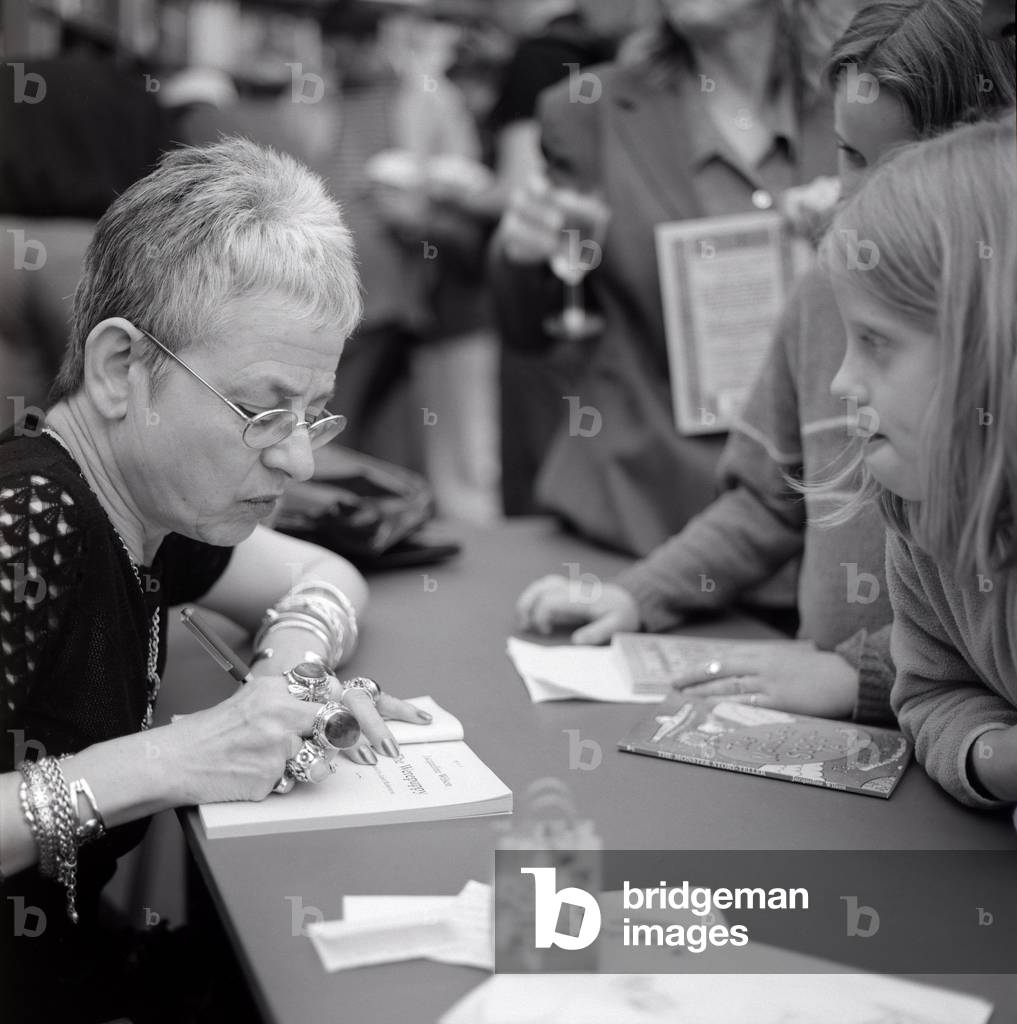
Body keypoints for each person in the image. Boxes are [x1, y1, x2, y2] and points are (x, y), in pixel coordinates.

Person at [0, 137, 432, 1021]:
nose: (300, 459)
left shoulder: (153, 507)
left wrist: (288, 677)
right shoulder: (28, 520)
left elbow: (322, 571)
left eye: (314, 414)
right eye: (262, 410)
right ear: (121, 369)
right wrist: (178, 756)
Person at [516, 0, 1016, 723]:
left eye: (897, 163)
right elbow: (763, 497)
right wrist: (639, 593)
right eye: (848, 155)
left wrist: (857, 674)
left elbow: (963, 626)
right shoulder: (820, 291)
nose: (858, 193)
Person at [492, 0, 850, 553]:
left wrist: (857, 228)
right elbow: (531, 329)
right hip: (644, 522)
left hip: (824, 517)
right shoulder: (588, 108)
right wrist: (521, 253)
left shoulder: (861, 101)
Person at [823, 115, 1017, 807]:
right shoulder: (921, 509)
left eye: (876, 342)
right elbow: (934, 689)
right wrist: (995, 758)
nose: (840, 382)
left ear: (989, 348)